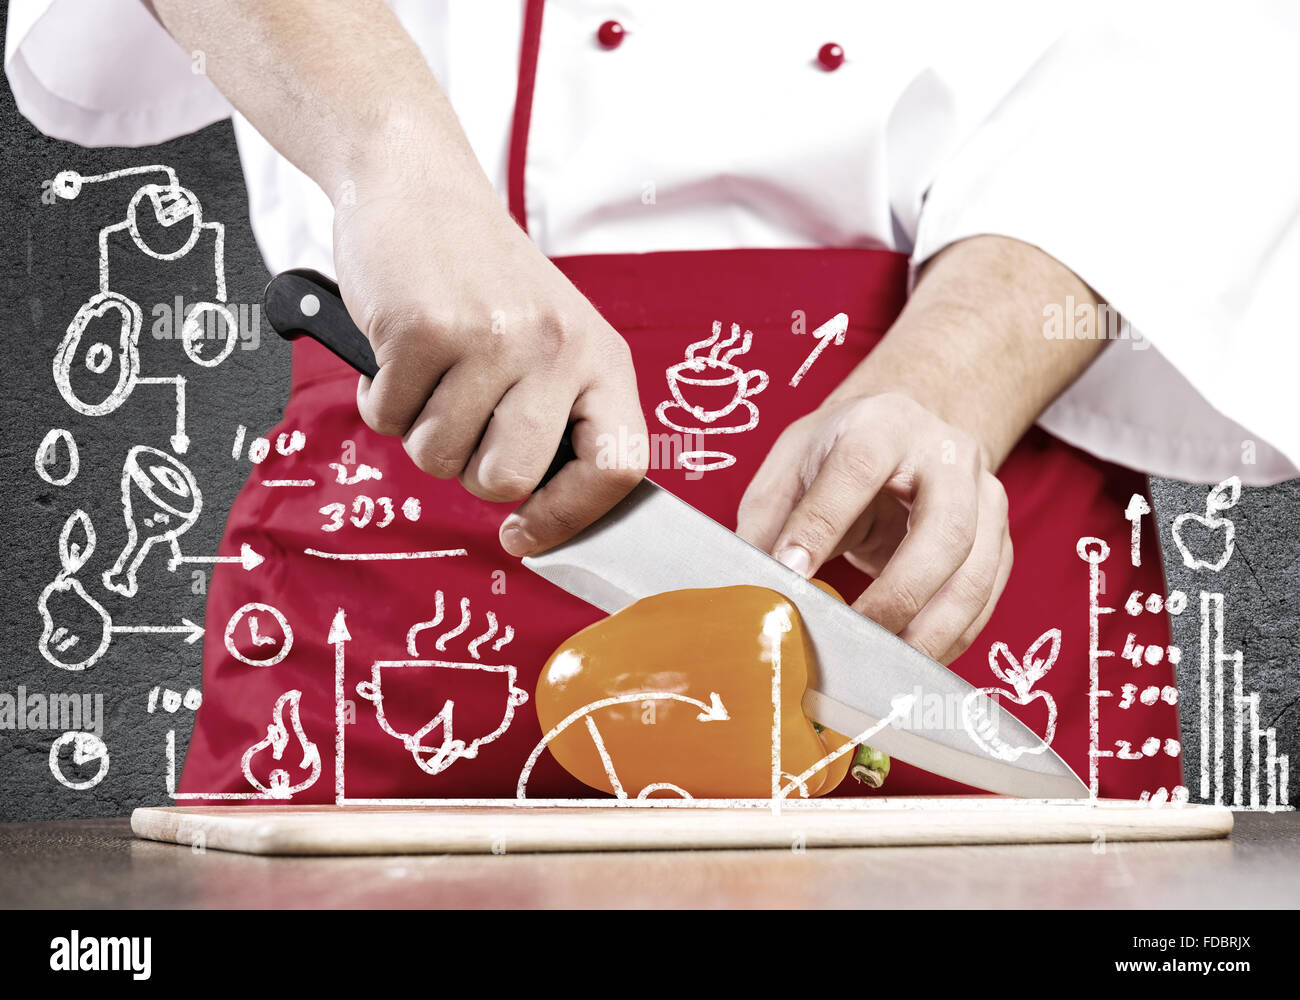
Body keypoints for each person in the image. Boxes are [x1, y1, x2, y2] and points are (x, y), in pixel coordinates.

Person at [9, 0, 1298, 800]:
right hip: (403, 499)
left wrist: (950, 380)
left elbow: (1193, 47)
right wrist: (396, 160)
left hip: (925, 546)